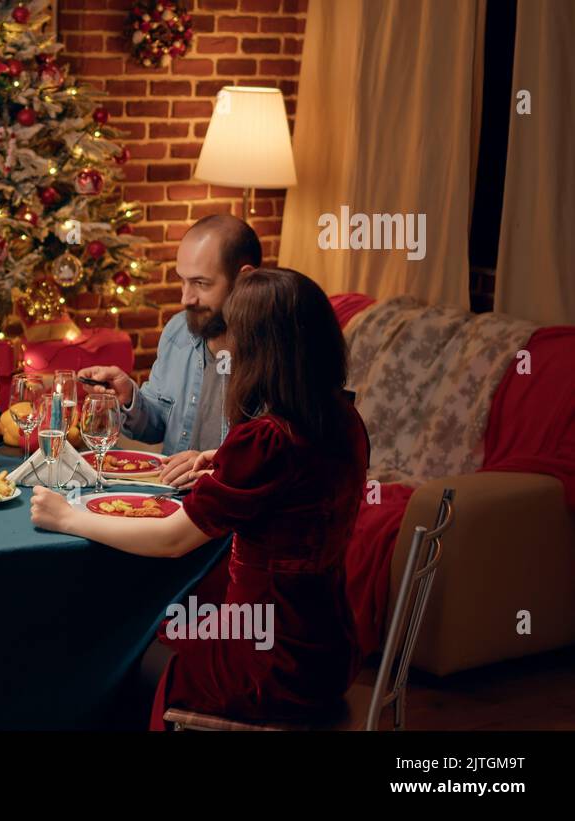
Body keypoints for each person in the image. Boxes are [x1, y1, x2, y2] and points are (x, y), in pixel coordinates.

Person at [31, 268, 369, 727]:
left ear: (262, 350)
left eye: (234, 335)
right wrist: (224, 457)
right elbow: (301, 479)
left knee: (116, 650)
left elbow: (171, 540)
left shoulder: (265, 443)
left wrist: (67, 518)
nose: (224, 348)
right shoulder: (342, 418)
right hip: (328, 649)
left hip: (269, 665)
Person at [78, 214, 260, 488]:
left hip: (231, 515)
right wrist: (128, 395)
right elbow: (156, 428)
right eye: (183, 281)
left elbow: (286, 461)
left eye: (201, 283)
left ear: (244, 278)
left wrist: (213, 463)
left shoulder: (277, 350)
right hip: (169, 502)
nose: (186, 298)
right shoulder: (179, 331)